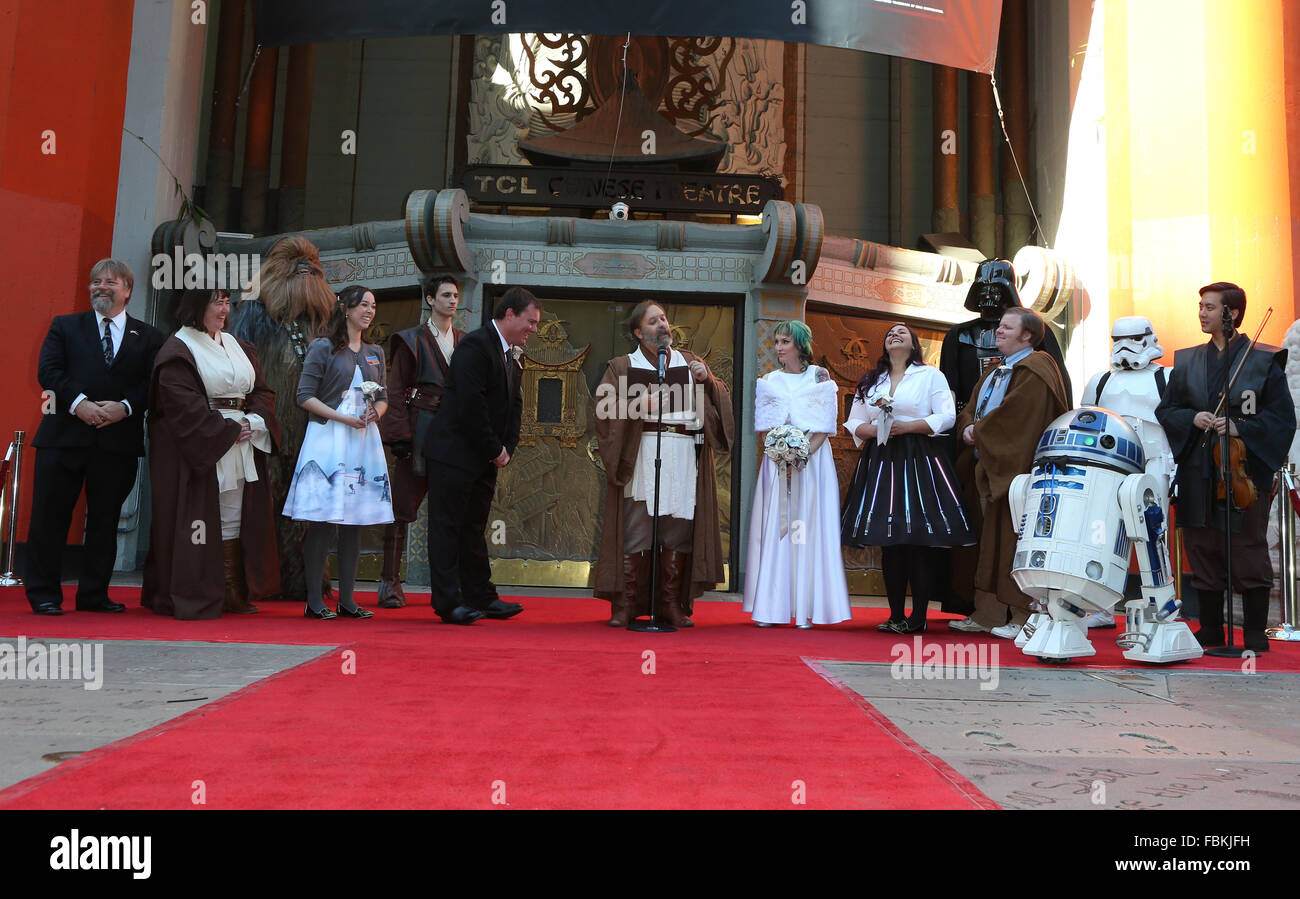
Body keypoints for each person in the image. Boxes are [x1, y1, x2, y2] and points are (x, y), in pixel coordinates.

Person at [1155, 282, 1295, 652]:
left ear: (1230, 314)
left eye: (1210, 307)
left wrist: (1240, 427)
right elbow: (1166, 411)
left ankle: (1252, 634)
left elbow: (1283, 419)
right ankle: (1212, 630)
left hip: (1242, 471)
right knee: (1202, 545)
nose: (1202, 312)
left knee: (1247, 546)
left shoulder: (1263, 360)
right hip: (1198, 467)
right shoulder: (1185, 361)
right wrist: (1192, 417)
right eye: (1200, 306)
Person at [25, 259, 164, 616]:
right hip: (63, 438)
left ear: (128, 290)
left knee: (105, 521)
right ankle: (44, 594)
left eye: (110, 282)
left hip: (116, 443)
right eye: (95, 282)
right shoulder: (65, 327)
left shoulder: (149, 337)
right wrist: (79, 404)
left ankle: (94, 595)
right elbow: (49, 371)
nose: (101, 287)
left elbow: (154, 383)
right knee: (49, 519)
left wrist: (126, 408)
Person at [142, 288, 281, 619]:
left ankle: (232, 588)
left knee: (234, 512)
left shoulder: (236, 345)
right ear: (196, 306)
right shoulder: (179, 349)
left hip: (241, 438)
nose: (224, 309)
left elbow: (262, 389)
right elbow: (180, 402)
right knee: (202, 517)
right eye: (216, 302)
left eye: (226, 302)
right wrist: (228, 430)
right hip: (203, 443)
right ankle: (199, 590)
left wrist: (255, 420)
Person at [593, 301, 734, 628]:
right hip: (641, 451)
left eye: (664, 319)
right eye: (653, 321)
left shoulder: (691, 363)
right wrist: (641, 403)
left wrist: (709, 380)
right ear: (638, 332)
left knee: (677, 528)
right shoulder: (623, 366)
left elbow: (721, 402)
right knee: (636, 528)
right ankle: (627, 603)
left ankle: (670, 603)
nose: (662, 325)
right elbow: (603, 408)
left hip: (682, 450)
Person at [841, 323, 974, 633]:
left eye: (902, 332)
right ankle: (896, 614)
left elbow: (947, 415)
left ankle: (919, 617)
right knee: (891, 540)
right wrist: (876, 431)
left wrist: (911, 426)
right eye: (889, 333)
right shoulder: (872, 381)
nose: (894, 335)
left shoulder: (930, 376)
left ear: (914, 344)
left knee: (917, 539)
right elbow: (855, 422)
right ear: (884, 345)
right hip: (881, 457)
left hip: (919, 458)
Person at [228, 236, 337, 603]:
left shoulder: (324, 322)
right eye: (296, 264)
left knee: (306, 507)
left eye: (311, 264)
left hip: (312, 431)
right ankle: (258, 578)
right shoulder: (254, 314)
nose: (305, 271)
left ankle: (305, 580)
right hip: (267, 429)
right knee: (262, 503)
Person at [422, 287, 541, 624]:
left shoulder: (512, 352)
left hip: (484, 458)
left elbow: (514, 404)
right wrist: (494, 448)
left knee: (473, 527)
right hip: (455, 454)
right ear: (509, 314)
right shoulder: (476, 345)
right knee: (447, 527)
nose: (533, 328)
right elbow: (469, 406)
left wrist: (509, 447)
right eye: (530, 321)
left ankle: (481, 596)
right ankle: (448, 602)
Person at [950, 307, 1070, 638]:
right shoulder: (996, 371)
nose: (997, 332)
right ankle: (986, 613)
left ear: (1027, 335)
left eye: (1006, 327)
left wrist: (980, 431)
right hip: (986, 465)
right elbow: (971, 408)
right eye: (999, 327)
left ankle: (1021, 616)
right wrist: (967, 428)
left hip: (1015, 471)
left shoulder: (1037, 368)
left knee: (1012, 542)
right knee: (986, 544)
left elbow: (1019, 417)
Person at [282, 285, 392, 620]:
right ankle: (314, 601)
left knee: (354, 521)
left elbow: (384, 396)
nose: (369, 311)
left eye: (373, 305)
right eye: (363, 305)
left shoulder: (375, 352)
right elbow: (304, 395)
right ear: (344, 308)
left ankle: (347, 599)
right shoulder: (323, 347)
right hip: (329, 437)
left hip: (362, 440)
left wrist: (378, 412)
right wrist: (342, 417)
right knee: (320, 521)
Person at [743, 321, 850, 628]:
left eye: (785, 341)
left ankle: (807, 606)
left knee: (806, 529)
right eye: (776, 341)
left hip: (812, 465)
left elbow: (825, 426)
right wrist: (782, 456)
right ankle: (772, 606)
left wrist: (801, 455)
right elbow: (764, 428)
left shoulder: (819, 377)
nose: (778, 347)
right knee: (780, 529)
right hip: (777, 466)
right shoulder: (769, 380)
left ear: (800, 345)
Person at [1079, 315, 1174, 629]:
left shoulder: (1167, 378)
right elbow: (1086, 424)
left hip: (1155, 463)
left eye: (1132, 339)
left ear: (1147, 338)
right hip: (1112, 465)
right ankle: (1102, 606)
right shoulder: (1100, 381)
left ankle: (1158, 607)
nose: (1123, 347)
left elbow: (1177, 429)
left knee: (1154, 536)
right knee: (1103, 534)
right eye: (1117, 339)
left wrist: (1176, 471)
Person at [376, 274, 465, 608]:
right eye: (445, 295)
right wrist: (399, 436)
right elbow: (395, 390)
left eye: (456, 295)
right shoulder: (410, 340)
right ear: (430, 299)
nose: (452, 300)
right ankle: (389, 582)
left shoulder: (463, 340)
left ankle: (449, 585)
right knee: (401, 510)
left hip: (452, 430)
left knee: (451, 511)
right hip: (419, 428)